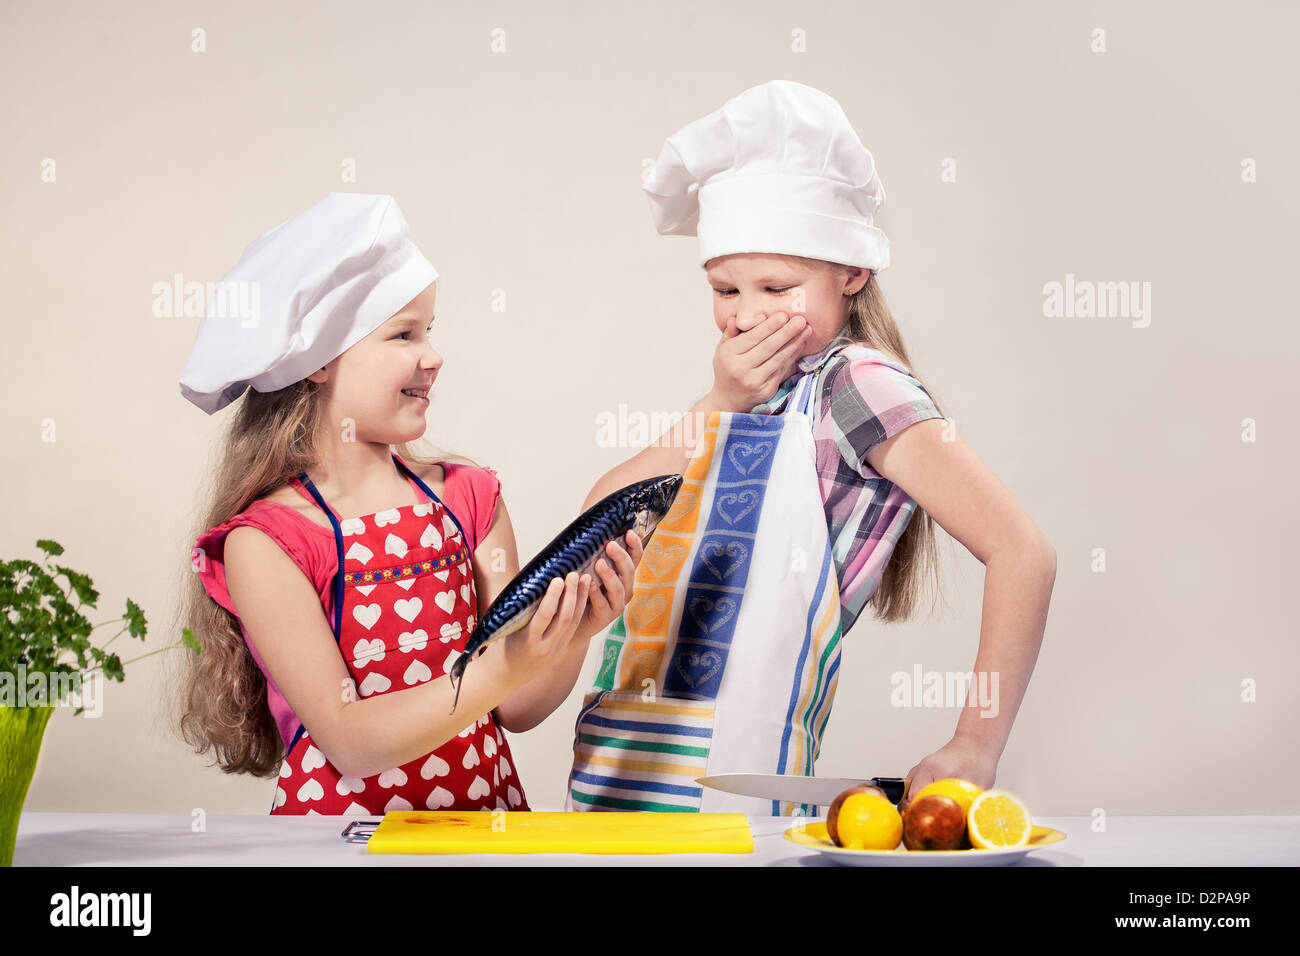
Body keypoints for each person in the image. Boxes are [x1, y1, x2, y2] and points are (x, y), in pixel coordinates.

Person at [565, 81, 1057, 816]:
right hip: (622, 768)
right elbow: (596, 518)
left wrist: (974, 744)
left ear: (851, 272)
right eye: (725, 289)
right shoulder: (748, 392)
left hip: (739, 784)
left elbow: (1025, 553)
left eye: (775, 285)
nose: (746, 315)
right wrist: (720, 402)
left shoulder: (856, 384)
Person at [173, 192, 641, 814]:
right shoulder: (267, 542)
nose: (434, 356)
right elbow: (351, 743)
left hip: (483, 836)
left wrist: (572, 632)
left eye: (430, 331)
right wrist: (505, 666)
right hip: (338, 848)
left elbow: (517, 708)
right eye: (403, 334)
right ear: (319, 364)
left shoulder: (469, 497)